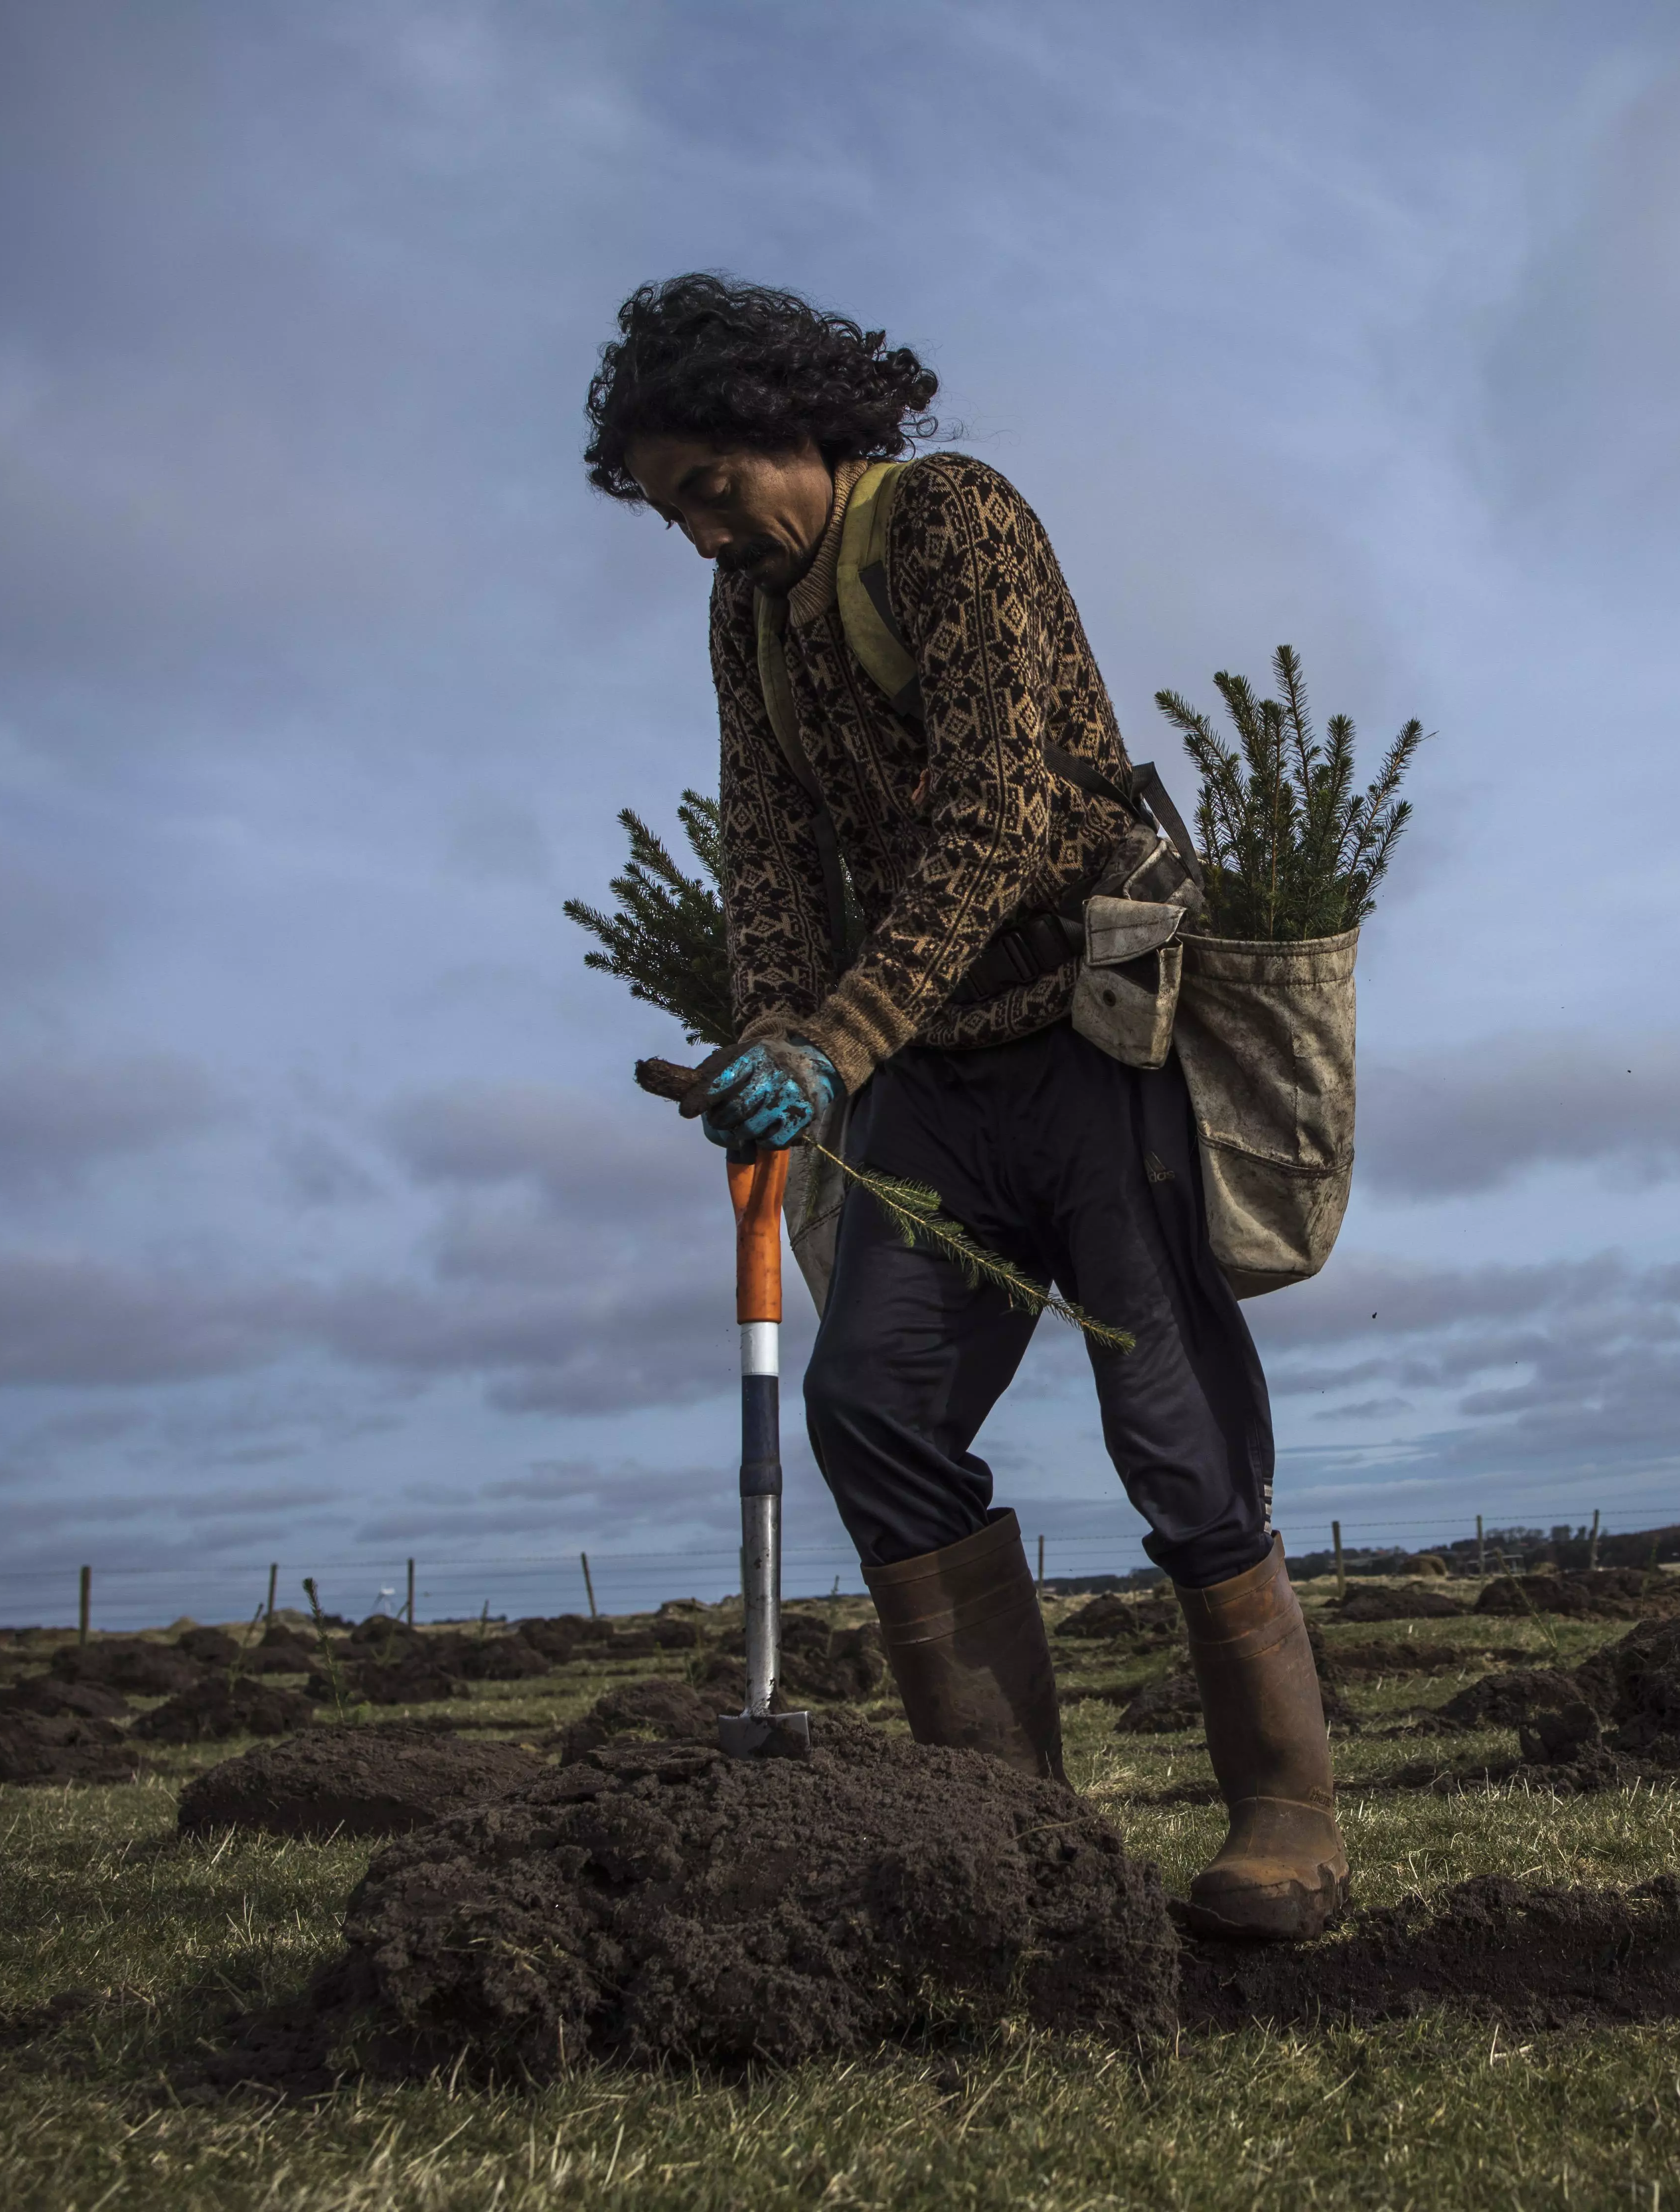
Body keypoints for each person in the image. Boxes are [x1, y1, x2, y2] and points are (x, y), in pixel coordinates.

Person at [582, 275, 1342, 1941]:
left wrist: (836, 1041)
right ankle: (1019, 1837)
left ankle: (1288, 1806)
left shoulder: (957, 523)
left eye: (711, 489)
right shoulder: (747, 619)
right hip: (930, 1079)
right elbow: (773, 856)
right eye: (668, 513)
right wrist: (772, 1037)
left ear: (794, 421)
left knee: (1175, 1430)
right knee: (870, 1405)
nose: (701, 535)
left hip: (1091, 1042)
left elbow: (1000, 817)